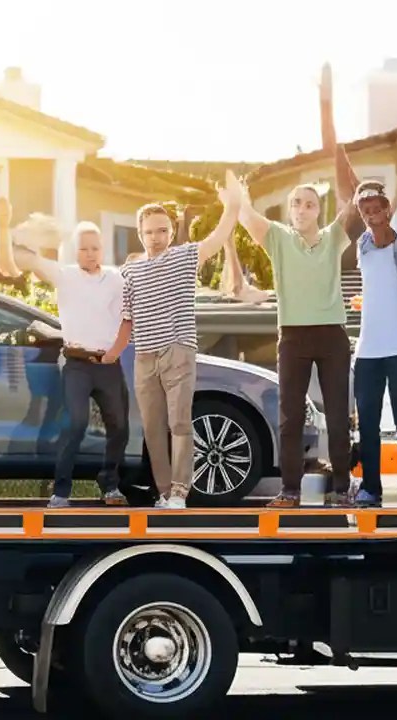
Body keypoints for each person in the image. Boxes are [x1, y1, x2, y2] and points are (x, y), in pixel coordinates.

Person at [106, 170, 243, 509]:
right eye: (150, 232)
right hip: (144, 356)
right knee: (153, 429)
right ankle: (165, 492)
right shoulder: (130, 272)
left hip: (177, 349)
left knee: (179, 423)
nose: (156, 237)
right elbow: (115, 310)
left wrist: (233, 205)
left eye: (162, 230)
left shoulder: (183, 257)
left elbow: (218, 236)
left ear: (170, 232)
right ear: (140, 234)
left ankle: (181, 491)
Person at [235, 152, 360, 509]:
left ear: (317, 211)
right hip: (293, 336)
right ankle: (290, 491)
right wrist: (238, 187)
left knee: (337, 416)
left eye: (308, 204)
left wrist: (329, 125)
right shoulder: (278, 238)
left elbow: (349, 198)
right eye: (296, 204)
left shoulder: (334, 237)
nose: (302, 209)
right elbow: (245, 215)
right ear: (290, 210)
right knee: (289, 417)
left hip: (332, 336)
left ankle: (341, 488)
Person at [0, 199, 130, 508]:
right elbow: (9, 264)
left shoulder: (116, 279)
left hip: (108, 363)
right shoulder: (63, 275)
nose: (90, 254)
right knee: (75, 423)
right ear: (75, 251)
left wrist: (115, 352)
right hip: (77, 364)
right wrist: (4, 225)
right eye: (84, 248)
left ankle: (110, 486)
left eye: (95, 248)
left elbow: (127, 318)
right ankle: (61, 491)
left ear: (102, 249)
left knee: (119, 426)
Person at [349, 178, 397, 508]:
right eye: (365, 211)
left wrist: (386, 213)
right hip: (368, 350)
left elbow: (389, 241)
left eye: (377, 209)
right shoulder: (362, 246)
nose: (371, 215)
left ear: (387, 210)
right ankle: (371, 489)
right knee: (368, 426)